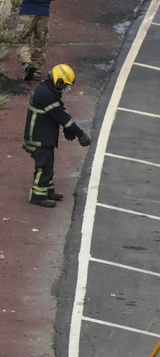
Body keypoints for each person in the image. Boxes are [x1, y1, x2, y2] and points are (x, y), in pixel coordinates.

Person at [23, 63, 89, 208]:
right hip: (39, 138)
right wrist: (79, 134)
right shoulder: (46, 95)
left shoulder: (47, 89)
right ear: (58, 81)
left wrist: (67, 129)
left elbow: (59, 110)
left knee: (48, 164)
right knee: (44, 167)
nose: (65, 89)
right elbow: (61, 115)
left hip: (43, 136)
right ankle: (37, 195)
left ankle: (47, 190)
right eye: (64, 85)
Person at [16, 0, 53, 82]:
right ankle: (37, 72)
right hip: (43, 13)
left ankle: (28, 64)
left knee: (23, 41)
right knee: (41, 43)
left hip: (27, 12)